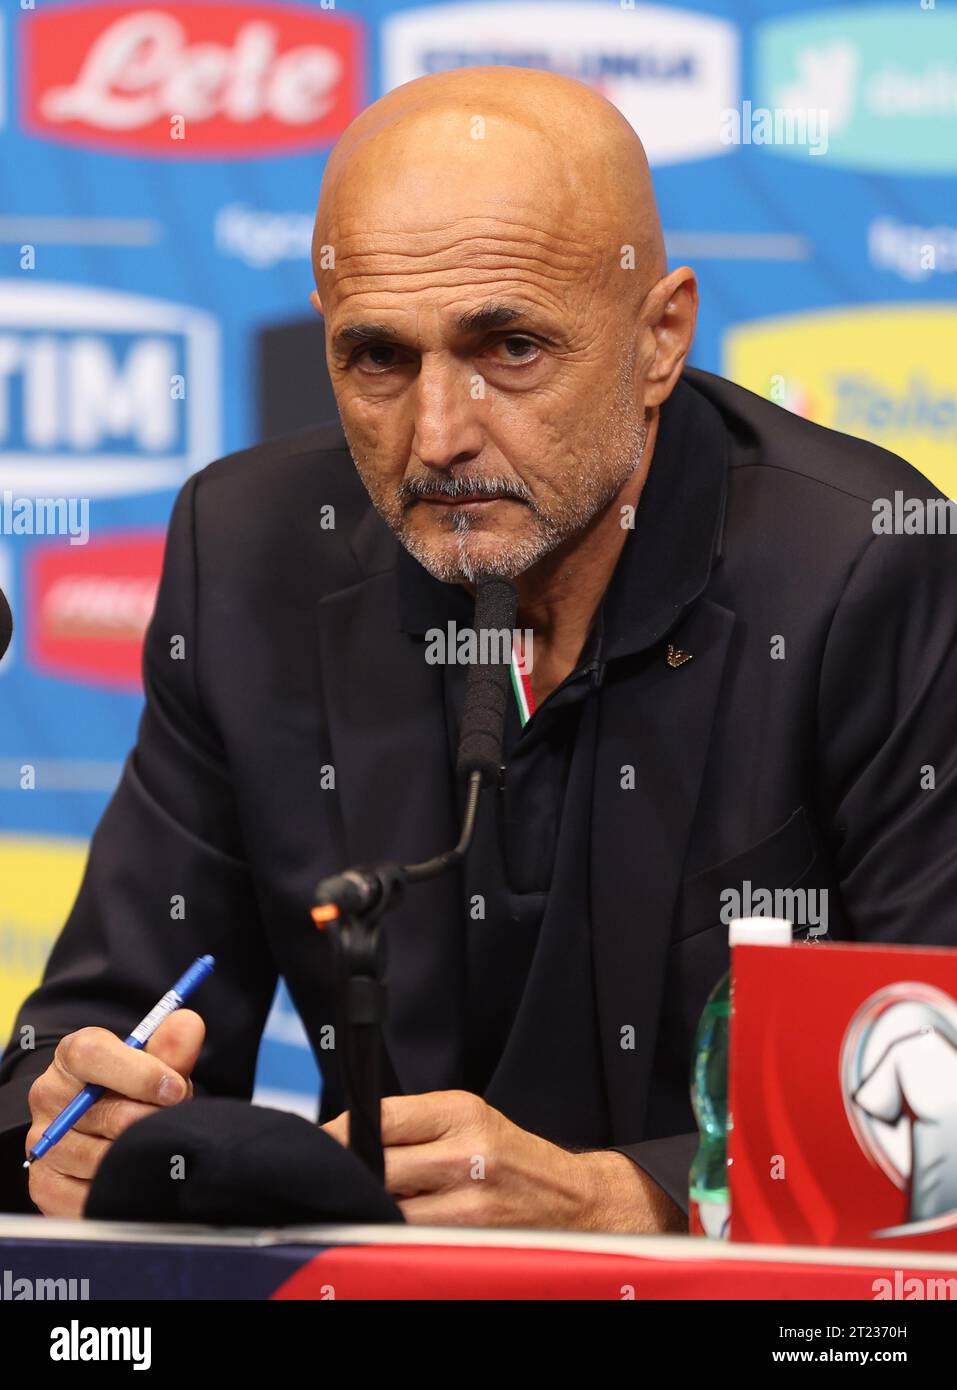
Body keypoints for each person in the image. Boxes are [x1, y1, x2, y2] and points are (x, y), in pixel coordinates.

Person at [2, 66, 956, 1228]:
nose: (439, 436)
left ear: (659, 338)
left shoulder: (866, 566)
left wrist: (631, 1197)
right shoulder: (247, 551)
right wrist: (73, 1117)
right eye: (378, 359)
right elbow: (100, 1020)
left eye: (508, 349)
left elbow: (940, 1103)